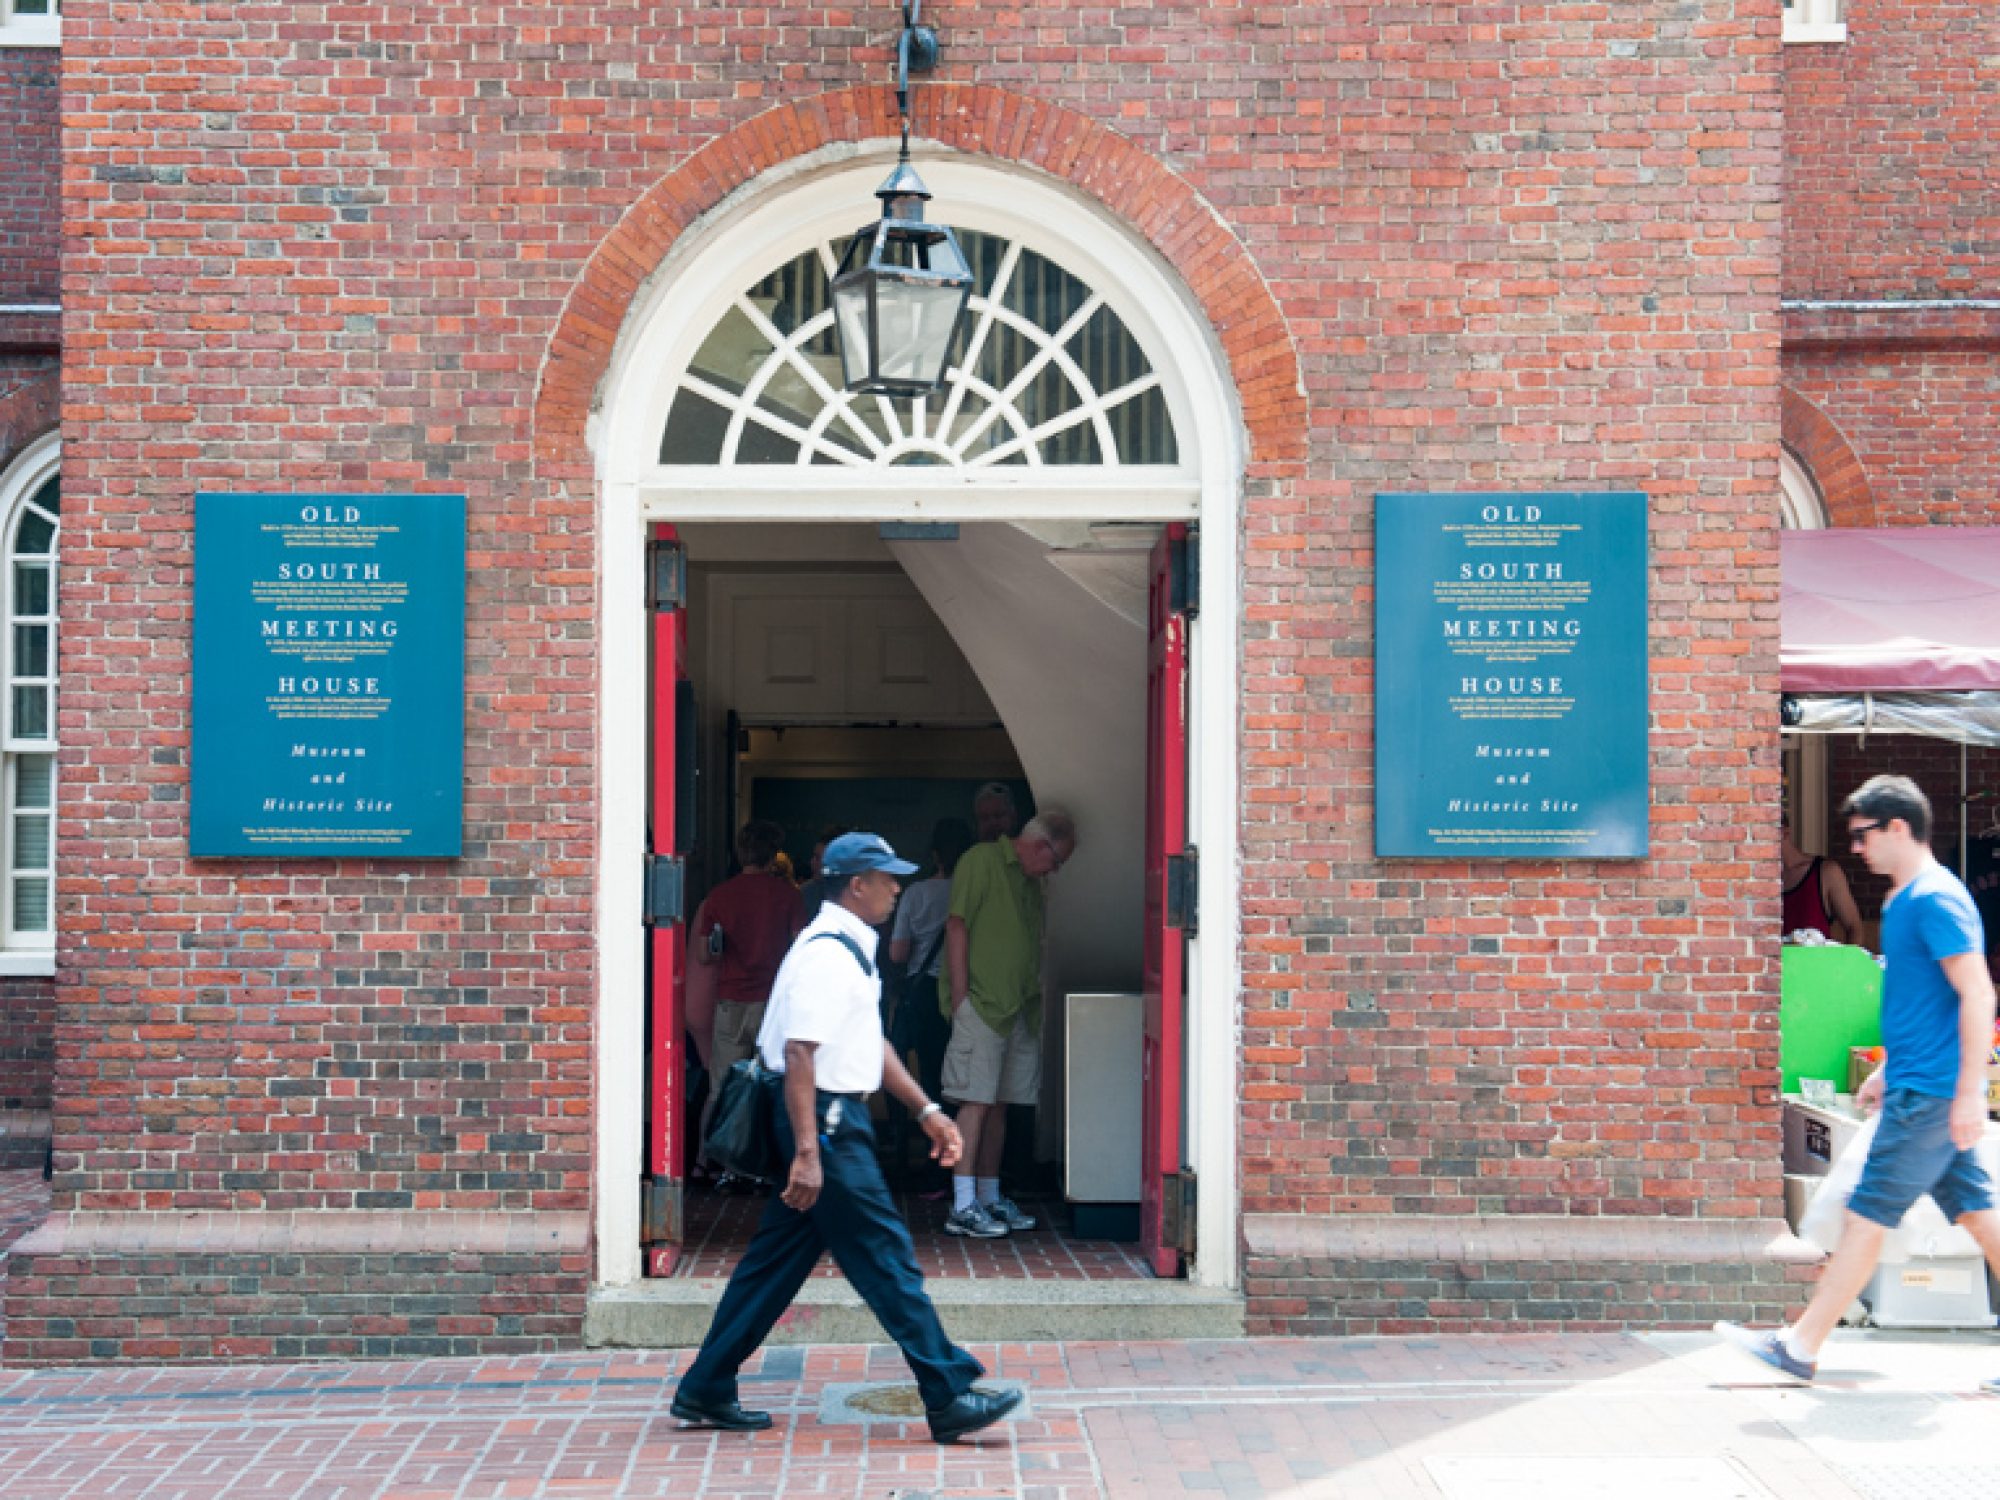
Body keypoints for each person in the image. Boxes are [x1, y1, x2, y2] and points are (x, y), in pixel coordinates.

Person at [669, 833, 1025, 1443]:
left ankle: (705, 1384)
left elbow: (867, 1043)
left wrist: (925, 1110)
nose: (897, 888)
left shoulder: (848, 948)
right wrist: (808, 1154)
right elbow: (799, 1052)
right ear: (855, 885)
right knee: (886, 1257)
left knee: (771, 1267)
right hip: (826, 1125)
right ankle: (947, 1392)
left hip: (830, 1120)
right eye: (887, 878)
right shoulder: (827, 953)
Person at [1717, 776, 2000, 1388]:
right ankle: (1800, 1342)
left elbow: (1976, 991)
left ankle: (1801, 1343)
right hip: (1918, 1085)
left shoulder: (1934, 900)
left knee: (1867, 1214)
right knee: (1979, 1216)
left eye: (1864, 835)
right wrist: (1886, 1068)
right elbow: (1924, 1005)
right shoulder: (1906, 903)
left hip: (1930, 1097)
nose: (1857, 848)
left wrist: (1969, 1090)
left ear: (1899, 827)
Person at [938, 808, 1076, 1238]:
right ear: (1040, 846)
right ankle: (963, 1205)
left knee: (999, 1104)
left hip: (1018, 1007)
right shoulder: (981, 861)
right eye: (1056, 861)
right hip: (983, 1003)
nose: (1055, 870)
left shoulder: (1031, 881)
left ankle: (988, 1196)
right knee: (974, 1101)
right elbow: (957, 926)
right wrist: (962, 1000)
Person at [693, 821, 807, 1159]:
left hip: (730, 1001)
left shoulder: (720, 895)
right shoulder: (788, 895)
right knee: (773, 1087)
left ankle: (707, 1159)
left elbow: (704, 954)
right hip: (771, 1003)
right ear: (773, 855)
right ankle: (766, 1161)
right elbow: (801, 948)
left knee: (720, 1089)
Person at [886, 817, 976, 1172]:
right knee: (955, 1075)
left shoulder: (917, 893)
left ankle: (913, 1152)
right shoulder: (969, 892)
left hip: (922, 992)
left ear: (935, 853)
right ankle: (955, 1153)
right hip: (964, 988)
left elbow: (898, 953)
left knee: (922, 1071)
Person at [1783, 815, 1863, 945]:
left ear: (1784, 832)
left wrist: (1846, 963)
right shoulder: (1756, 880)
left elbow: (1854, 927)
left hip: (1817, 963)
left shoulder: (1826, 872)